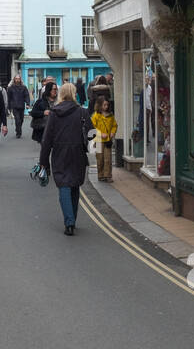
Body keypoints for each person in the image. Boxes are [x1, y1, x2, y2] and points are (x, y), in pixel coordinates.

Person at [40, 82, 96, 235]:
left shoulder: (54, 113)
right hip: (77, 152)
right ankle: (72, 219)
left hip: (59, 152)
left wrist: (43, 161)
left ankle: (69, 222)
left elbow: (46, 139)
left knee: (64, 185)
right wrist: (86, 142)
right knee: (75, 185)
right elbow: (92, 132)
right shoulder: (81, 112)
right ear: (74, 93)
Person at [92, 97, 117, 183]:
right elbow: (92, 128)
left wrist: (113, 133)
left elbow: (114, 125)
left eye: (107, 105)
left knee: (108, 159)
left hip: (108, 141)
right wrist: (100, 134)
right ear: (99, 105)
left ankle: (108, 175)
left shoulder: (110, 115)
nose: (106, 106)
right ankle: (101, 175)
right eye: (104, 105)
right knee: (100, 159)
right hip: (99, 141)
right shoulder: (96, 116)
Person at [7, 74, 31, 139]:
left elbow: (26, 95)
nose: (17, 80)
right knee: (17, 120)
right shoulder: (10, 88)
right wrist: (9, 107)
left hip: (21, 105)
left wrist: (28, 103)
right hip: (14, 106)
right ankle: (18, 132)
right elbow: (9, 98)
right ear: (14, 80)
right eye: (16, 79)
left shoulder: (24, 87)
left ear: (20, 80)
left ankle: (18, 128)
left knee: (21, 119)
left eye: (18, 79)